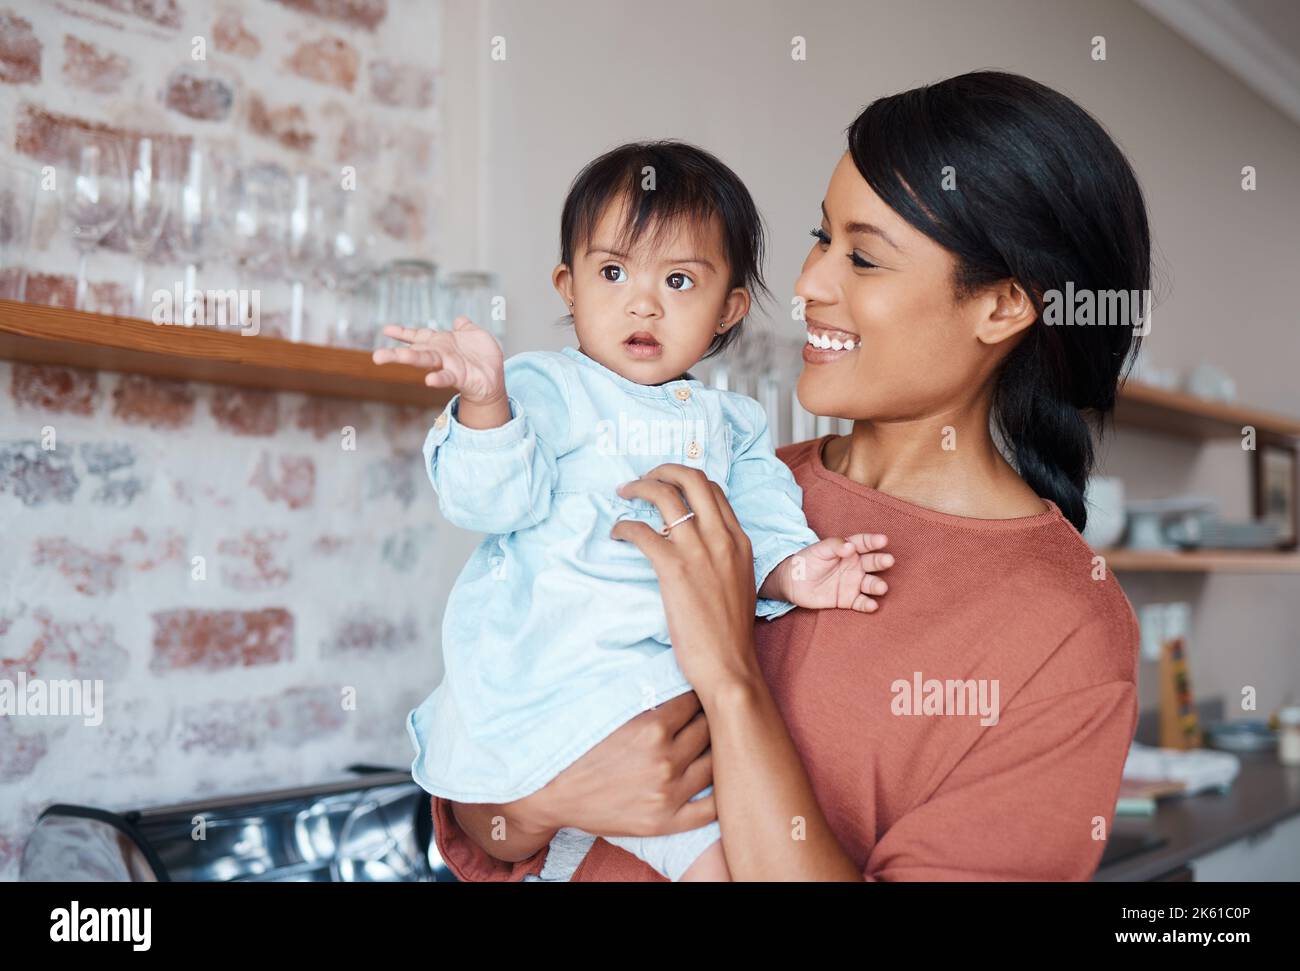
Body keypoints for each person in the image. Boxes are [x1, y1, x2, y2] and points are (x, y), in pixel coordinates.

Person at [425, 70, 1148, 882]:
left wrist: (731, 679)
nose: (806, 285)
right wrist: (539, 806)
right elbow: (481, 822)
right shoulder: (720, 481)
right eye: (821, 235)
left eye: (864, 258)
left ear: (1003, 306)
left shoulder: (1064, 632)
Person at [375, 141, 895, 881]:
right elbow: (488, 501)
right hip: (545, 682)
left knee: (715, 857)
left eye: (679, 279)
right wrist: (484, 404)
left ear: (729, 310)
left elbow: (760, 518)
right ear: (569, 285)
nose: (642, 301)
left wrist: (795, 571)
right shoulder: (543, 390)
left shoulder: (734, 422)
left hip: (656, 702)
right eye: (613, 271)